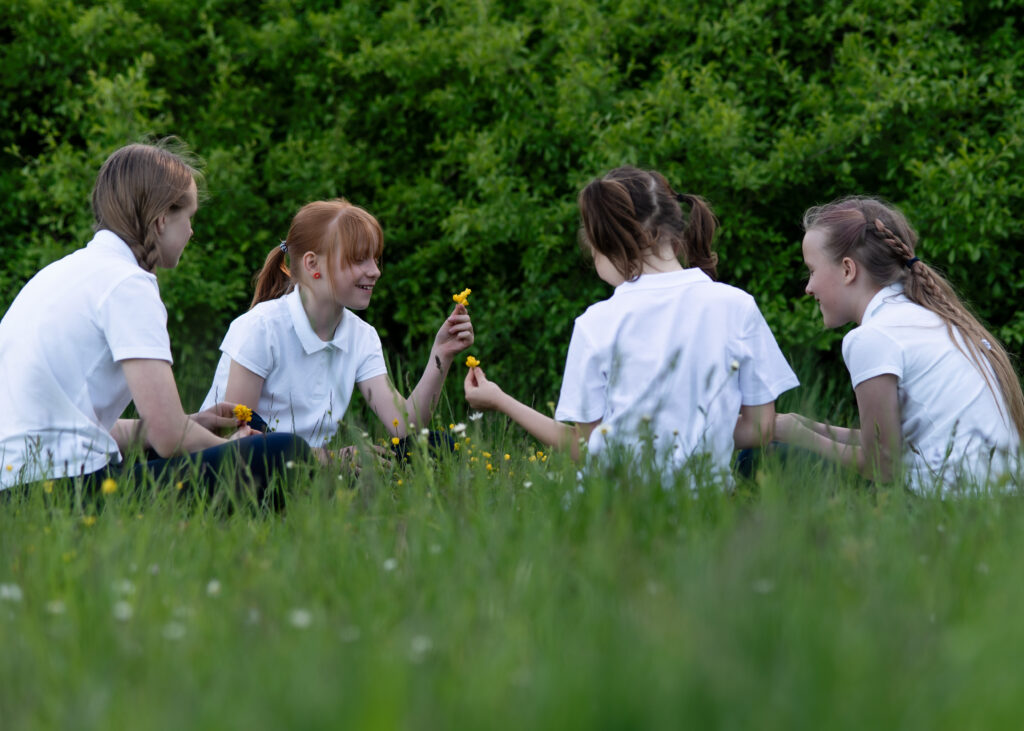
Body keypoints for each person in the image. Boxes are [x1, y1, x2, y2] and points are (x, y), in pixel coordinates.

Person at [0, 140, 309, 500]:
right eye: (188, 217)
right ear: (162, 218)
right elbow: (167, 438)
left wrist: (191, 425)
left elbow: (86, 426)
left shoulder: (56, 274)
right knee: (286, 454)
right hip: (63, 487)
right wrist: (227, 445)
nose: (191, 231)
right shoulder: (128, 283)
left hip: (16, 485)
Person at [464, 165, 799, 484]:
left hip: (616, 516)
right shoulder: (737, 305)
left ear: (611, 244)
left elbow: (586, 447)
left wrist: (499, 400)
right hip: (706, 513)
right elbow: (761, 428)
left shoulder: (596, 323)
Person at [774, 196, 1023, 492]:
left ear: (847, 270)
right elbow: (888, 445)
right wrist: (800, 424)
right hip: (1000, 500)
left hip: (950, 505)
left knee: (771, 458)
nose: (808, 287)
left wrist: (791, 433)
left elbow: (882, 465)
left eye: (812, 270)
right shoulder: (929, 318)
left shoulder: (873, 337)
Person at [201, 199, 474, 457]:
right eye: (359, 260)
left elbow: (403, 427)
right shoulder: (261, 327)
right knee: (265, 451)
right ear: (312, 264)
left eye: (375, 259)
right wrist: (328, 460)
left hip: (312, 471)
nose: (375, 271)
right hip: (244, 465)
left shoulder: (362, 336)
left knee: (436, 446)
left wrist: (442, 354)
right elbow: (237, 437)